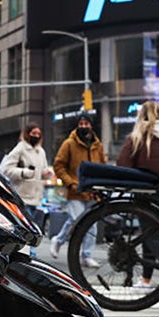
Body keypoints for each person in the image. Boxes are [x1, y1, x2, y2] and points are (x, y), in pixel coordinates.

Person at [117, 100, 159, 287]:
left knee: (150, 234)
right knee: (153, 233)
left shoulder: (139, 135)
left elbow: (122, 163)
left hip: (143, 191)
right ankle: (146, 279)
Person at [50, 113, 107, 267]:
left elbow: (103, 166)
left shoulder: (98, 145)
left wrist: (102, 185)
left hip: (92, 192)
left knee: (91, 224)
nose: (83, 126)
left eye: (86, 123)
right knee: (76, 220)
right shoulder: (68, 143)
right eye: (81, 123)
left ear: (91, 125)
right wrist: (69, 183)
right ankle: (59, 240)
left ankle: (86, 256)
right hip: (75, 191)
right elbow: (58, 165)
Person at [0, 123, 49, 255]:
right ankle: (30, 253)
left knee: (30, 227)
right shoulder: (20, 149)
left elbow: (43, 168)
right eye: (33, 133)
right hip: (22, 195)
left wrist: (46, 172)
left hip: (36, 196)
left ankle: (22, 252)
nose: (36, 136)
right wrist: (24, 173)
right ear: (27, 134)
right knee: (28, 227)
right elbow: (6, 170)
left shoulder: (41, 151)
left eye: (38, 134)